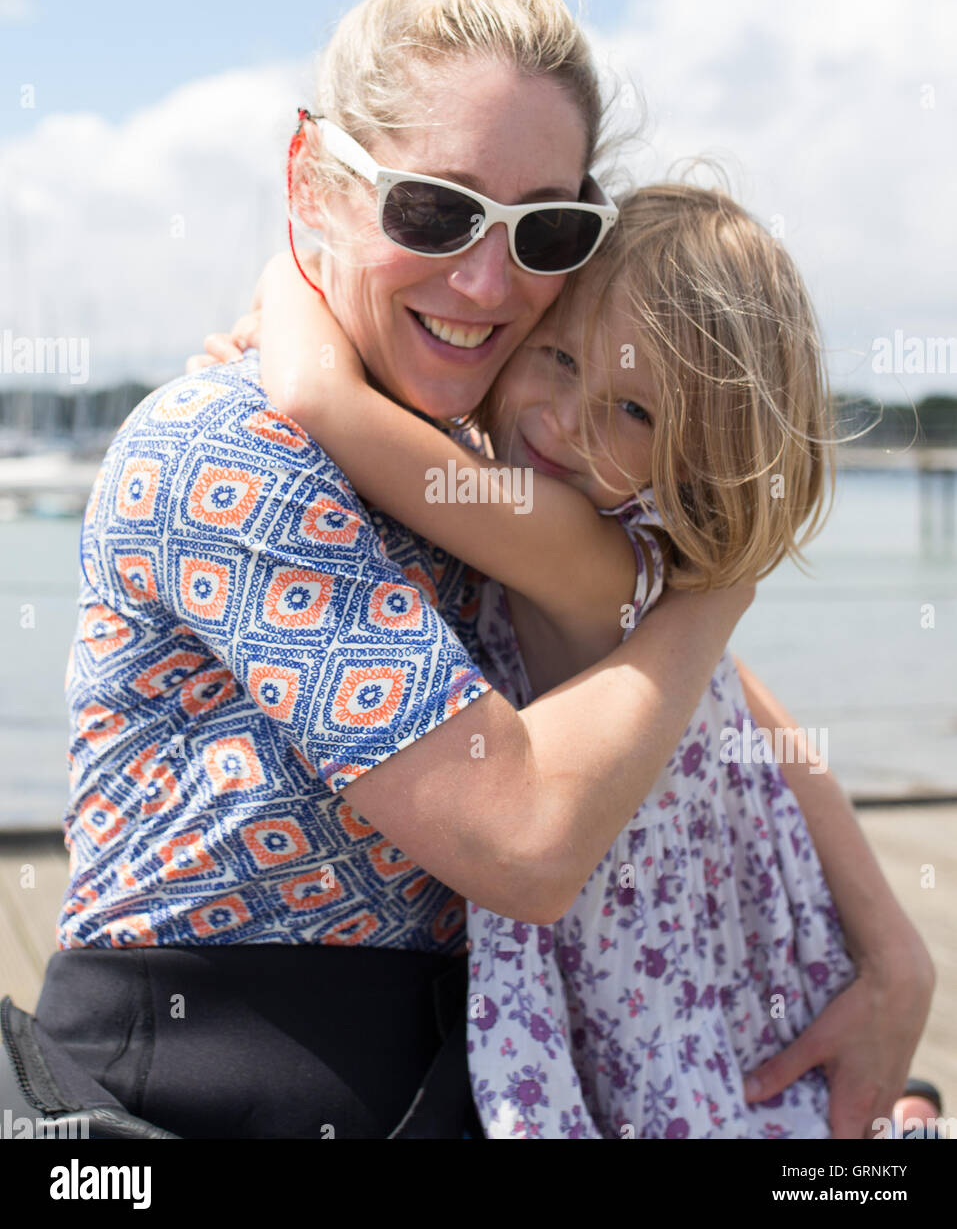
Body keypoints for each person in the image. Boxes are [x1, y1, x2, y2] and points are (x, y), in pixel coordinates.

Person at [16, 0, 930, 1141]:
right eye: (434, 211)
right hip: (200, 1085)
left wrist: (892, 951)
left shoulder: (473, 452)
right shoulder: (232, 452)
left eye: (545, 230)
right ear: (314, 177)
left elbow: (694, 672)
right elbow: (532, 836)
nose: (489, 278)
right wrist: (718, 583)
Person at [221, 181, 939, 1139]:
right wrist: (893, 945)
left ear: (704, 450)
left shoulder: (590, 549)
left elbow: (319, 399)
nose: (562, 422)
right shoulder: (657, 575)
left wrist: (288, 285)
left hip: (668, 962)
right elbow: (739, 692)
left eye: (633, 411)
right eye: (556, 356)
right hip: (705, 932)